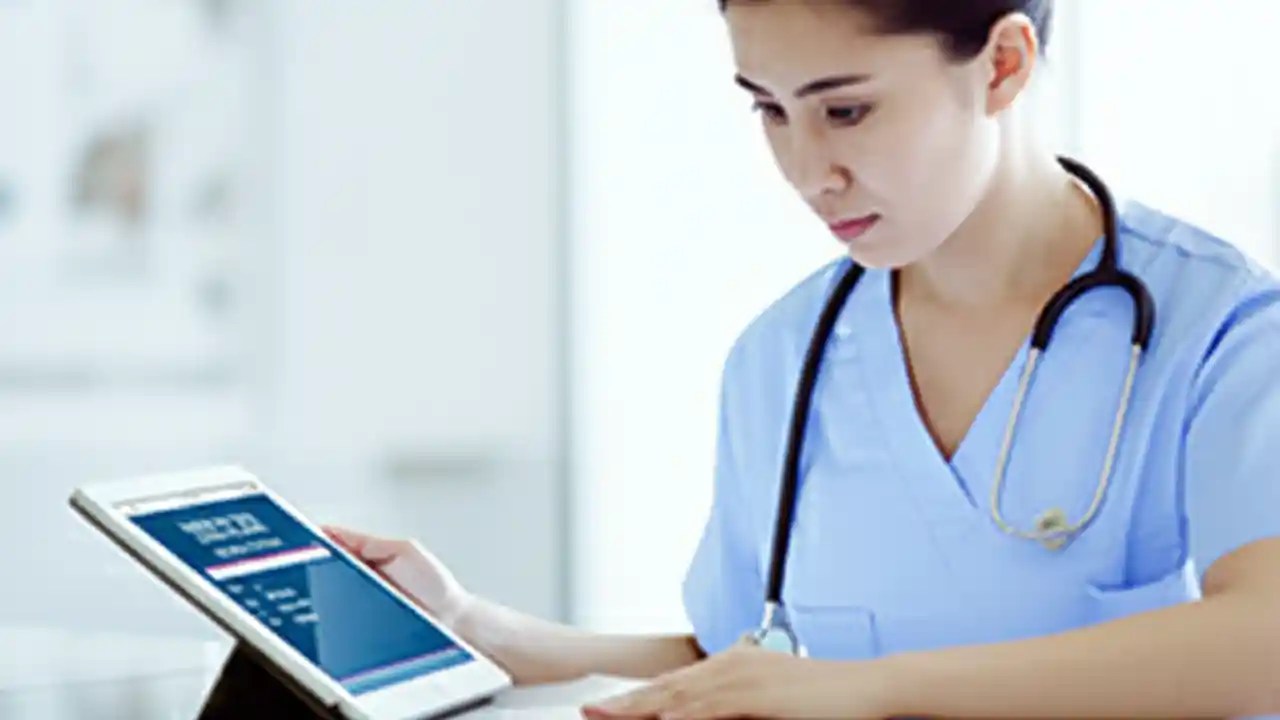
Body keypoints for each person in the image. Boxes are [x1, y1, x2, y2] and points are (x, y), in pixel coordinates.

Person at [328, 1, 1280, 717]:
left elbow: (1262, 637)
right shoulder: (784, 361)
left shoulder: (1221, 330)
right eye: (771, 113)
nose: (805, 171)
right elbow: (770, 665)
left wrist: (877, 691)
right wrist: (490, 633)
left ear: (1001, 63)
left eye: (848, 112)